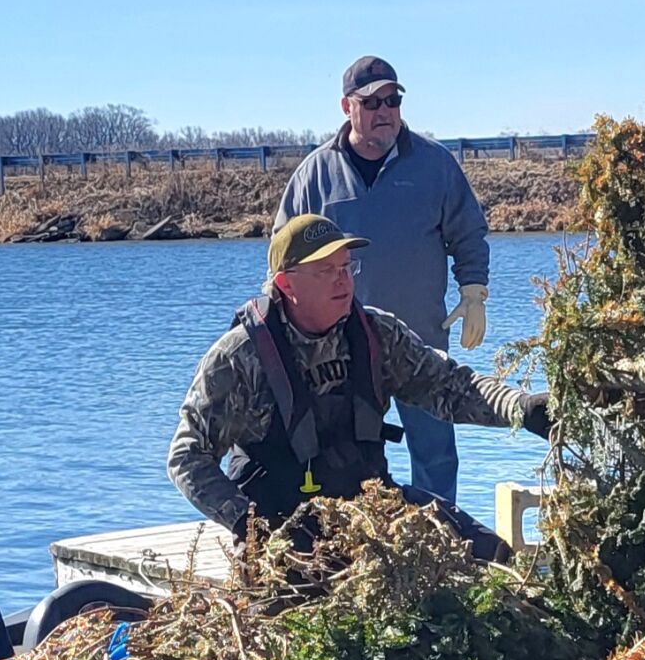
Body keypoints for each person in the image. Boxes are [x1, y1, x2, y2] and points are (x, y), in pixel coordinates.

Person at [168, 215, 546, 561]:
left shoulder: (375, 333)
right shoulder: (240, 357)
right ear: (286, 284)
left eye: (347, 268)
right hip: (283, 528)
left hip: (371, 509)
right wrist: (249, 526)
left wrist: (522, 409)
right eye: (326, 270)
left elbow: (451, 387)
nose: (343, 280)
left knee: (490, 555)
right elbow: (186, 458)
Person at [275, 55, 491, 504]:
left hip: (421, 340)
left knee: (435, 453)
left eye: (393, 101)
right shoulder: (314, 175)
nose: (385, 112)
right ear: (346, 107)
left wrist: (474, 292)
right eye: (372, 103)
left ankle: (439, 545)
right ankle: (358, 547)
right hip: (340, 350)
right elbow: (282, 256)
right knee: (346, 455)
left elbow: (468, 232)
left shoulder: (435, 165)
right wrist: (281, 323)